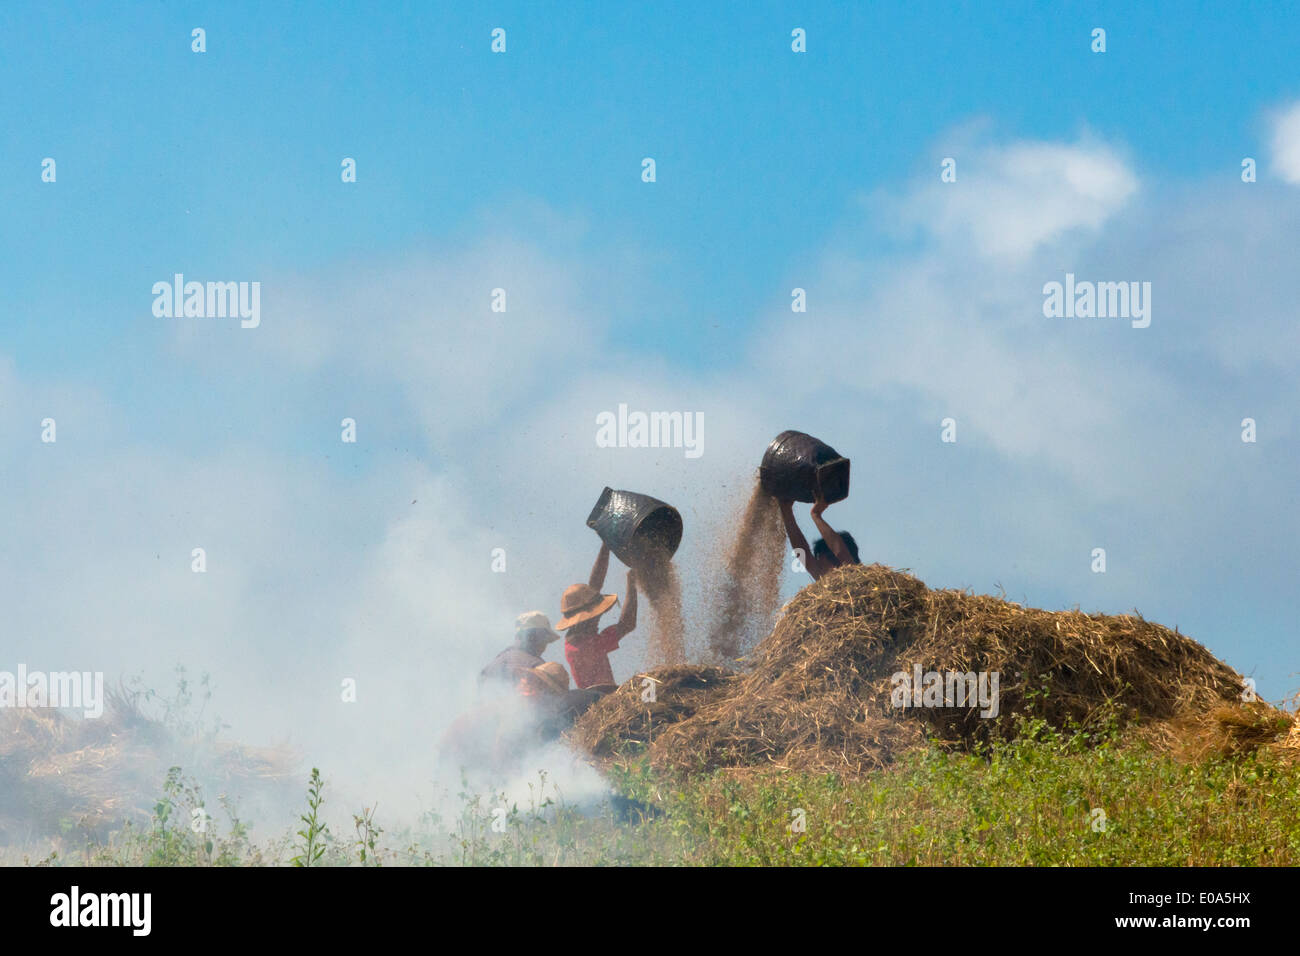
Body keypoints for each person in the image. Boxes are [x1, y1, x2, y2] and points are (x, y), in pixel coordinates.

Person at [556, 542, 637, 690]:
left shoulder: (574, 639)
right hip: (601, 697)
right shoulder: (588, 646)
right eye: (595, 615)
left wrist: (606, 546)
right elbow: (628, 624)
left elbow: (594, 585)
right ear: (584, 619)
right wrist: (632, 584)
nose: (598, 617)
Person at [777, 491, 860, 582]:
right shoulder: (825, 582)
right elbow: (804, 554)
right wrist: (786, 511)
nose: (818, 563)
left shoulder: (855, 574)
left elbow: (840, 552)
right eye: (819, 562)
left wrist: (816, 515)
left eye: (822, 560)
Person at [479, 611, 562, 688]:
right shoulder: (537, 667)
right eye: (545, 638)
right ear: (536, 637)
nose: (546, 644)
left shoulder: (495, 662)